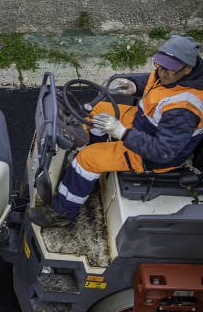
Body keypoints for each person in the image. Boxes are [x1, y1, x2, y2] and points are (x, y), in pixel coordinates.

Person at [28, 35, 203, 227]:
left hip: (149, 152)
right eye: (159, 65)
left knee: (87, 159)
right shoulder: (171, 73)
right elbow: (155, 82)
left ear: (187, 68)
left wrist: (121, 133)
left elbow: (163, 151)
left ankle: (62, 212)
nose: (161, 72)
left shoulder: (184, 109)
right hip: (142, 123)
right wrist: (134, 86)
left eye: (168, 69)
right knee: (97, 111)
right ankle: (92, 164)